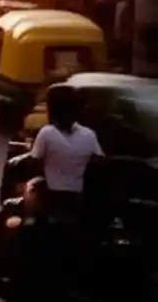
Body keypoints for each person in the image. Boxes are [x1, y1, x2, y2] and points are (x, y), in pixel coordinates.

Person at [27, 84, 103, 215]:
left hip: (50, 199)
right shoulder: (89, 135)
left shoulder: (46, 133)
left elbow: (33, 161)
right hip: (77, 200)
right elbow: (100, 161)